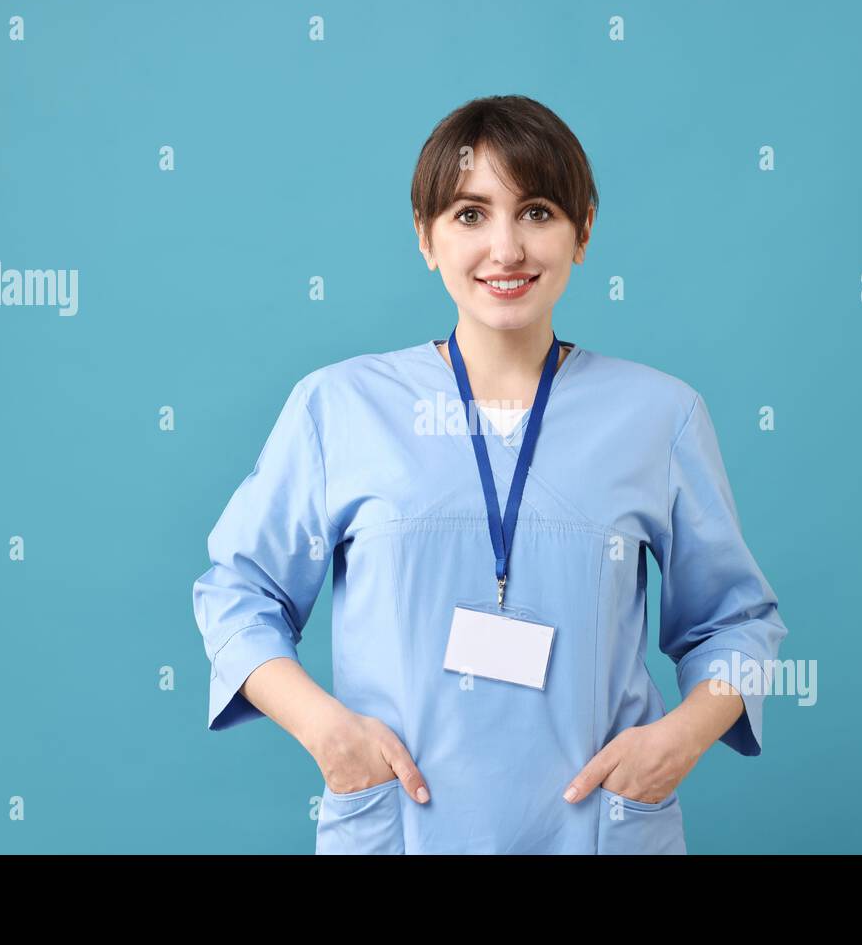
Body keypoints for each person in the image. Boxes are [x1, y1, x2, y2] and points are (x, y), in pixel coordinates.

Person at [192, 95, 788, 854]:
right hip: (398, 825)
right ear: (425, 236)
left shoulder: (658, 415)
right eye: (470, 215)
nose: (506, 248)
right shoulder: (339, 408)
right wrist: (326, 731)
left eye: (536, 211)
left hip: (599, 829)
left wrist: (676, 742)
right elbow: (238, 592)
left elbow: (735, 620)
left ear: (584, 230)